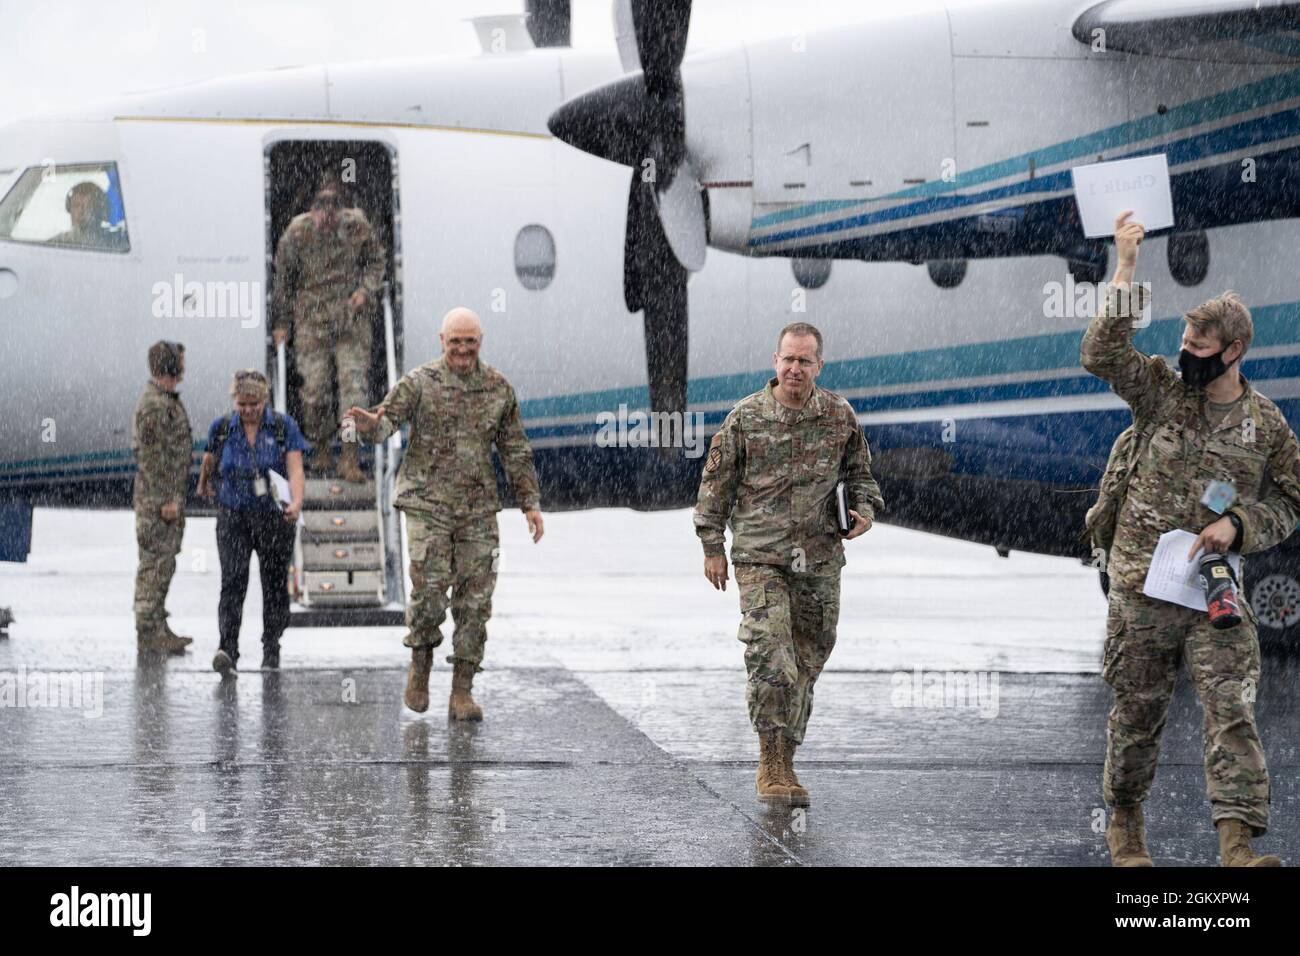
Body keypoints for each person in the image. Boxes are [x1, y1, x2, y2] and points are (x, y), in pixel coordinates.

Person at [1082, 210, 1300, 867]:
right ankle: (1126, 830)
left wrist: (1241, 524)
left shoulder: (1266, 426)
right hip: (1142, 590)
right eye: (1184, 343)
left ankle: (1237, 848)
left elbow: (1292, 499)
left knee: (1231, 709)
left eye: (1199, 348)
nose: (1186, 356)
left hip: (1213, 594)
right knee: (1136, 719)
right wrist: (1125, 266)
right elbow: (1100, 354)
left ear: (1234, 351)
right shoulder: (1162, 393)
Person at [693, 322, 883, 806]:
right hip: (761, 558)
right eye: (788, 359)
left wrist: (863, 510)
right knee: (771, 657)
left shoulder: (839, 416)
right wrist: (712, 546)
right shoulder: (745, 418)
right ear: (775, 362)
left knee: (807, 661)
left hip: (818, 561)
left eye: (804, 361)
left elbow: (861, 476)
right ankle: (771, 763)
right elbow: (715, 486)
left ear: (819, 366)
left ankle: (787, 755)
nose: (795, 368)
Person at [347, 307, 543, 719]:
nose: (463, 349)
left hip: (477, 508)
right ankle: (420, 664)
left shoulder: (498, 389)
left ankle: (462, 691)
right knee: (430, 591)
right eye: (455, 341)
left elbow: (515, 449)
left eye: (470, 341)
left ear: (480, 341)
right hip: (427, 504)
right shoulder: (420, 383)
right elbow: (386, 422)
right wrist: (368, 427)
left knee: (476, 601)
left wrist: (530, 503)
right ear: (442, 341)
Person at [272, 179, 386, 482]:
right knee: (314, 392)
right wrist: (281, 323)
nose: (326, 223)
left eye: (332, 217)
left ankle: (349, 456)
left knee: (354, 393)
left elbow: (376, 262)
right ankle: (321, 448)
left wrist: (365, 291)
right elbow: (283, 282)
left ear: (340, 213)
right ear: (312, 211)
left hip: (351, 320)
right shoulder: (297, 233)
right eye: (321, 216)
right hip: (312, 320)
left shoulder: (356, 226)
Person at [197, 370, 307, 675]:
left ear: (264, 400)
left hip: (273, 517)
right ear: (234, 400)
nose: (248, 410)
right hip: (234, 516)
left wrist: (297, 501)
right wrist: (203, 482)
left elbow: (295, 469)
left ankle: (271, 646)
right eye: (242, 404)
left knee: (274, 584)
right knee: (232, 582)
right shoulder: (222, 427)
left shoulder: (283, 427)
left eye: (254, 404)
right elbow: (209, 459)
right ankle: (227, 649)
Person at [132, 340, 194, 656]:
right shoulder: (155, 405)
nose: (184, 366)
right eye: (180, 360)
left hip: (166, 499)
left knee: (164, 563)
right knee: (154, 565)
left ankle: (158, 625)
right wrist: (166, 500)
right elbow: (152, 459)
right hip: (158, 503)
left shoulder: (165, 401)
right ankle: (148, 631)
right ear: (170, 365)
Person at [49, 182, 120, 250]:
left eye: (88, 206)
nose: (81, 211)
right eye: (76, 205)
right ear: (69, 208)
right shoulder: (58, 243)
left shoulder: (114, 243)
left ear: (100, 210)